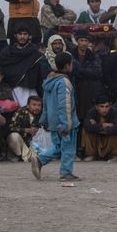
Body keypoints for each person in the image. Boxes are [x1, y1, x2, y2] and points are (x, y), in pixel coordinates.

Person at [30, 52, 79, 181]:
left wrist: (44, 119)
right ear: (68, 65)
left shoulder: (49, 80)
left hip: (52, 121)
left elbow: (45, 102)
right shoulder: (64, 82)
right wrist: (66, 124)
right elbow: (65, 105)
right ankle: (66, 173)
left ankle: (40, 160)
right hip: (65, 122)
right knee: (68, 148)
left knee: (58, 147)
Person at [81, 95, 117, 161]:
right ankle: (91, 154)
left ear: (109, 106)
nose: (104, 109)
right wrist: (102, 126)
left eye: (107, 107)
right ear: (96, 107)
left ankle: (114, 155)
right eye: (102, 106)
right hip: (97, 138)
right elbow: (87, 126)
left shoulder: (114, 112)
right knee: (85, 131)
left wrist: (102, 128)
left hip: (108, 137)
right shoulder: (91, 112)